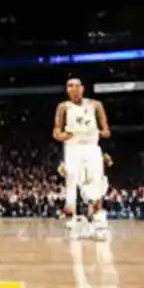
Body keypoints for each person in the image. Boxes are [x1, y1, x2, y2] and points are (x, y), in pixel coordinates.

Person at [52, 78, 110, 239]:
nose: (74, 89)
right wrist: (62, 136)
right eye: (70, 86)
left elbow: (106, 130)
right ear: (67, 90)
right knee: (73, 181)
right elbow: (56, 131)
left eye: (77, 86)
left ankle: (98, 221)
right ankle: (76, 221)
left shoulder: (95, 105)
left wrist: (98, 132)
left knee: (96, 181)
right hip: (72, 146)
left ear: (83, 88)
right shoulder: (63, 107)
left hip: (91, 145)